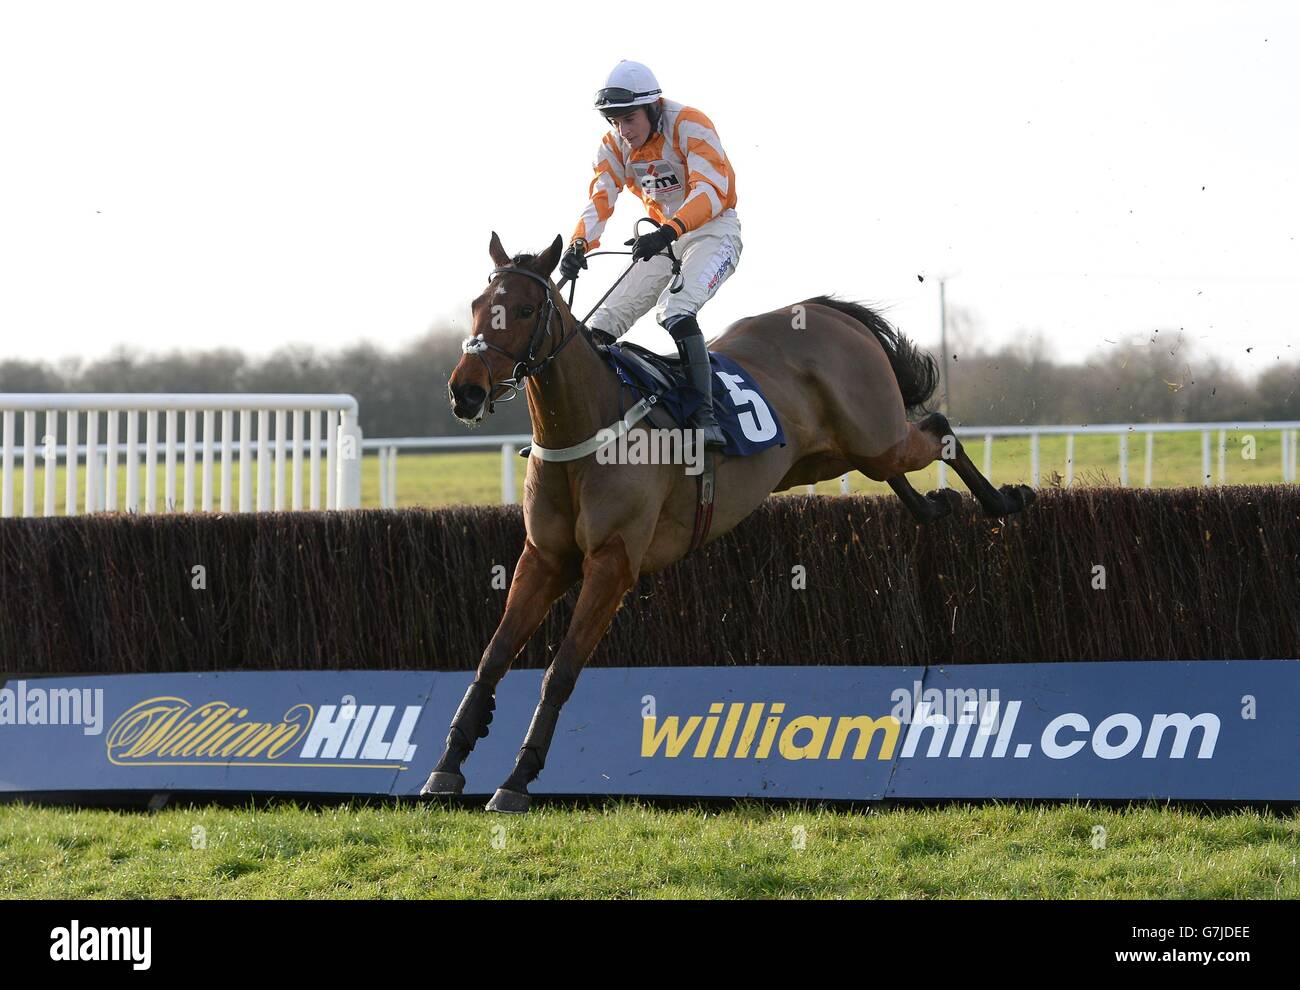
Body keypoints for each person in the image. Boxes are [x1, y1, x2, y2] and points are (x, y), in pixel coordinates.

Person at [560, 60, 742, 449]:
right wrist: (578, 245)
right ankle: (585, 430)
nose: (624, 132)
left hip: (713, 231)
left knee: (675, 310)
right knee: (599, 328)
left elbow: (712, 189)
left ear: (654, 106)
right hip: (663, 239)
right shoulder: (613, 146)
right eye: (615, 122)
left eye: (629, 119)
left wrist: (669, 230)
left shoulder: (690, 123)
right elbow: (600, 200)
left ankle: (704, 416)